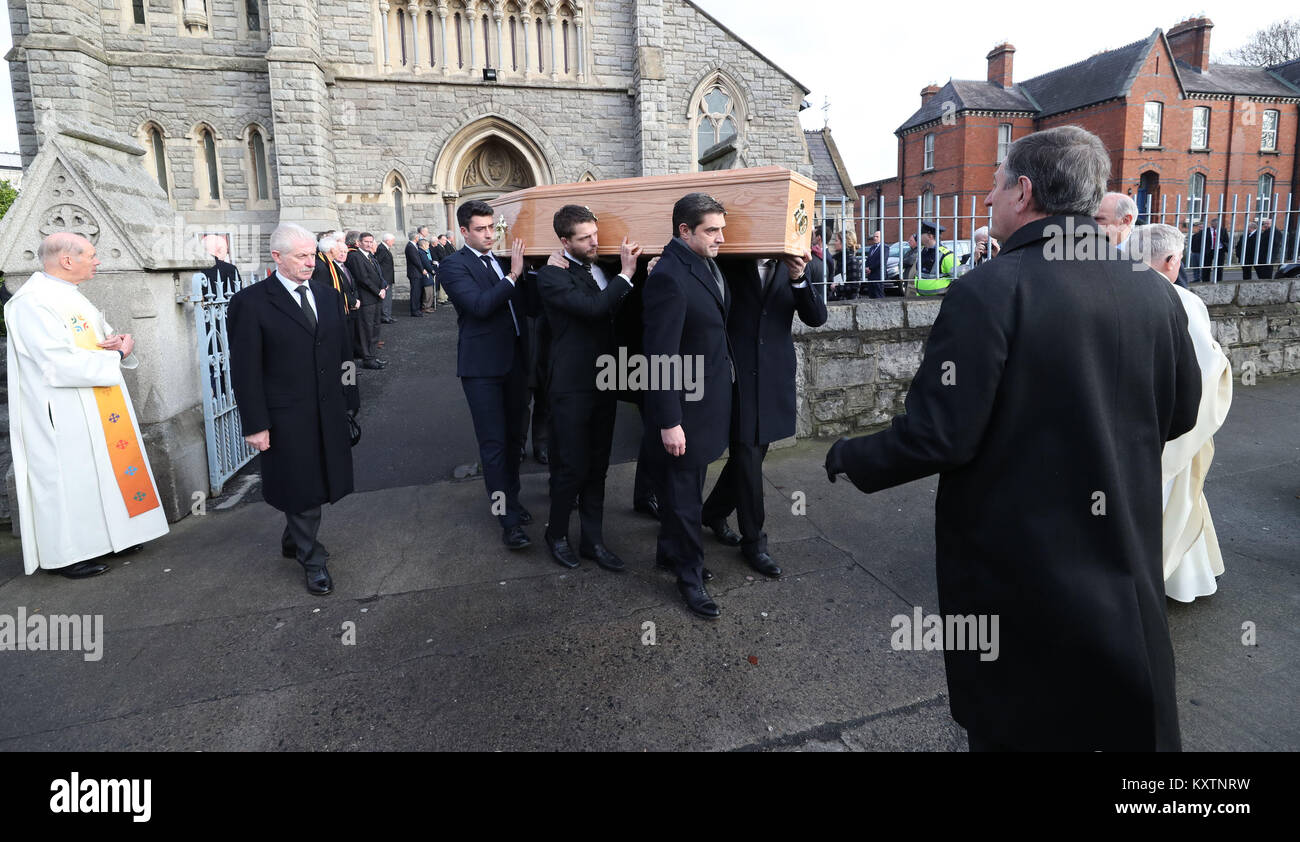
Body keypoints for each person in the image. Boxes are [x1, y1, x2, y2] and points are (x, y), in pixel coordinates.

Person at [824, 126, 1201, 751]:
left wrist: (850, 455)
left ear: (1024, 192)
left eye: (996, 185)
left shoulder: (989, 290)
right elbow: (1180, 412)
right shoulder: (1154, 292)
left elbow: (939, 435)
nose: (990, 200)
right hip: (1122, 557)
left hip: (1020, 572)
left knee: (1023, 726)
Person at [5, 232, 169, 578]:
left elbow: (99, 341)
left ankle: (115, 537)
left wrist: (120, 343)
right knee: (67, 480)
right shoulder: (32, 302)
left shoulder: (70, 296)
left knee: (103, 474)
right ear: (67, 260)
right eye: (92, 255)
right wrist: (117, 356)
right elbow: (55, 362)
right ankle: (67, 555)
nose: (97, 262)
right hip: (62, 412)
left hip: (95, 404)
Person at [228, 223, 359, 595]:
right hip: (285, 415)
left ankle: (293, 539)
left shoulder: (328, 295)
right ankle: (312, 559)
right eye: (301, 256)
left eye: (312, 255)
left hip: (328, 408)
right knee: (301, 485)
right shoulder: (251, 303)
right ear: (276, 258)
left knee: (319, 479)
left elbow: (342, 354)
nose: (310, 263)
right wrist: (255, 424)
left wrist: (351, 401)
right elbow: (246, 370)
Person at [705, 246, 825, 577]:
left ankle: (712, 512)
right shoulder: (727, 261)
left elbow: (816, 318)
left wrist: (799, 278)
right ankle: (754, 542)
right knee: (746, 453)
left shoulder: (801, 268)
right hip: (737, 374)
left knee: (754, 453)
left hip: (773, 375)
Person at [643, 193, 735, 619]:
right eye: (712, 230)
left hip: (707, 399)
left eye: (721, 227)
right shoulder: (669, 275)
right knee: (683, 498)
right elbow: (658, 356)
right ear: (684, 231)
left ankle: (668, 553)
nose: (721, 237)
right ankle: (690, 577)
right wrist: (670, 421)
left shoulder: (706, 264)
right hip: (684, 408)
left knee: (687, 488)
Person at [1129, 224, 1233, 603]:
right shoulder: (1185, 302)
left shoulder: (1113, 294)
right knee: (1176, 499)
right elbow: (1202, 368)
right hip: (1170, 422)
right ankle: (1174, 580)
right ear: (1171, 261)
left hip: (1127, 423)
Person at [535, 205, 640, 571]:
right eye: (585, 238)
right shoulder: (550, 276)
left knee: (597, 467)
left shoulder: (604, 267)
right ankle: (557, 534)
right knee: (571, 467)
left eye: (596, 234)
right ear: (565, 241)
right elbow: (594, 308)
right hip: (571, 386)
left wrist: (639, 275)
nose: (595, 242)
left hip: (606, 381)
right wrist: (626, 275)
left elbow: (620, 309)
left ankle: (593, 541)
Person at [439, 199, 535, 550]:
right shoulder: (453, 266)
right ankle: (506, 520)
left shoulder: (504, 259)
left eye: (491, 227)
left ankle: (514, 501)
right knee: (493, 445)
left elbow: (527, 306)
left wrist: (534, 274)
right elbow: (479, 307)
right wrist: (513, 277)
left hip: (514, 364)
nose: (489, 234)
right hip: (481, 369)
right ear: (464, 231)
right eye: (480, 229)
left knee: (514, 442)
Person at [345, 231, 386, 369]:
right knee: (366, 330)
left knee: (375, 328)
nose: (369, 244)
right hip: (366, 298)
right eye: (366, 242)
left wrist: (383, 287)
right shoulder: (356, 257)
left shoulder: (370, 256)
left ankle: (373, 356)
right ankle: (367, 358)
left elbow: (377, 275)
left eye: (371, 242)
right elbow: (363, 278)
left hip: (376, 298)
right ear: (359, 243)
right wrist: (378, 291)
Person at [914, 221, 955, 295]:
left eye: (921, 234)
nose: (918, 237)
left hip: (940, 301)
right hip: (921, 299)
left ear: (930, 236)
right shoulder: (922, 252)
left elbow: (959, 278)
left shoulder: (946, 255)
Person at [404, 230, 428, 317]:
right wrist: (422, 269)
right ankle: (414, 310)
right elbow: (416, 260)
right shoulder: (410, 246)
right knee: (415, 292)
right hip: (414, 273)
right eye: (418, 237)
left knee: (417, 292)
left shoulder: (413, 246)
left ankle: (417, 309)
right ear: (416, 238)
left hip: (416, 272)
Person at [375, 233, 397, 323]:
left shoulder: (384, 248)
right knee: (385, 298)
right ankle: (385, 316)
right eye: (392, 241)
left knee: (388, 297)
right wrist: (382, 280)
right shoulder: (381, 249)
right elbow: (378, 264)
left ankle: (388, 315)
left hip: (388, 278)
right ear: (387, 241)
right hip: (385, 278)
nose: (393, 242)